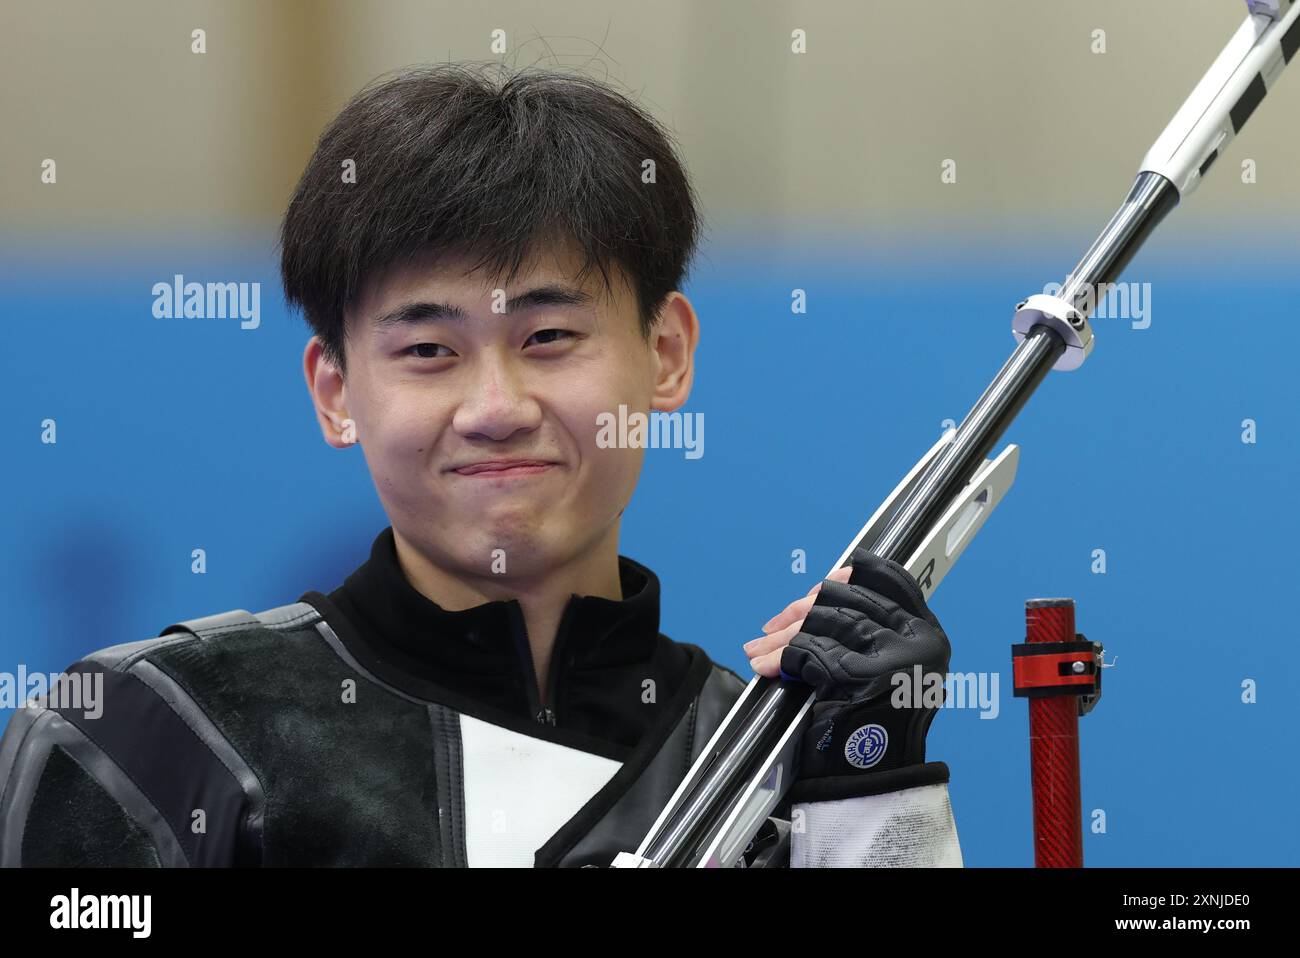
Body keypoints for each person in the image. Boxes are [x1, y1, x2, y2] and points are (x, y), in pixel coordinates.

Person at [0, 63, 961, 868]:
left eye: (548, 336)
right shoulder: (150, 736)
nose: (496, 409)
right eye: (428, 350)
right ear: (336, 391)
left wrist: (878, 782)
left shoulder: (768, 756)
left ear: (666, 354)